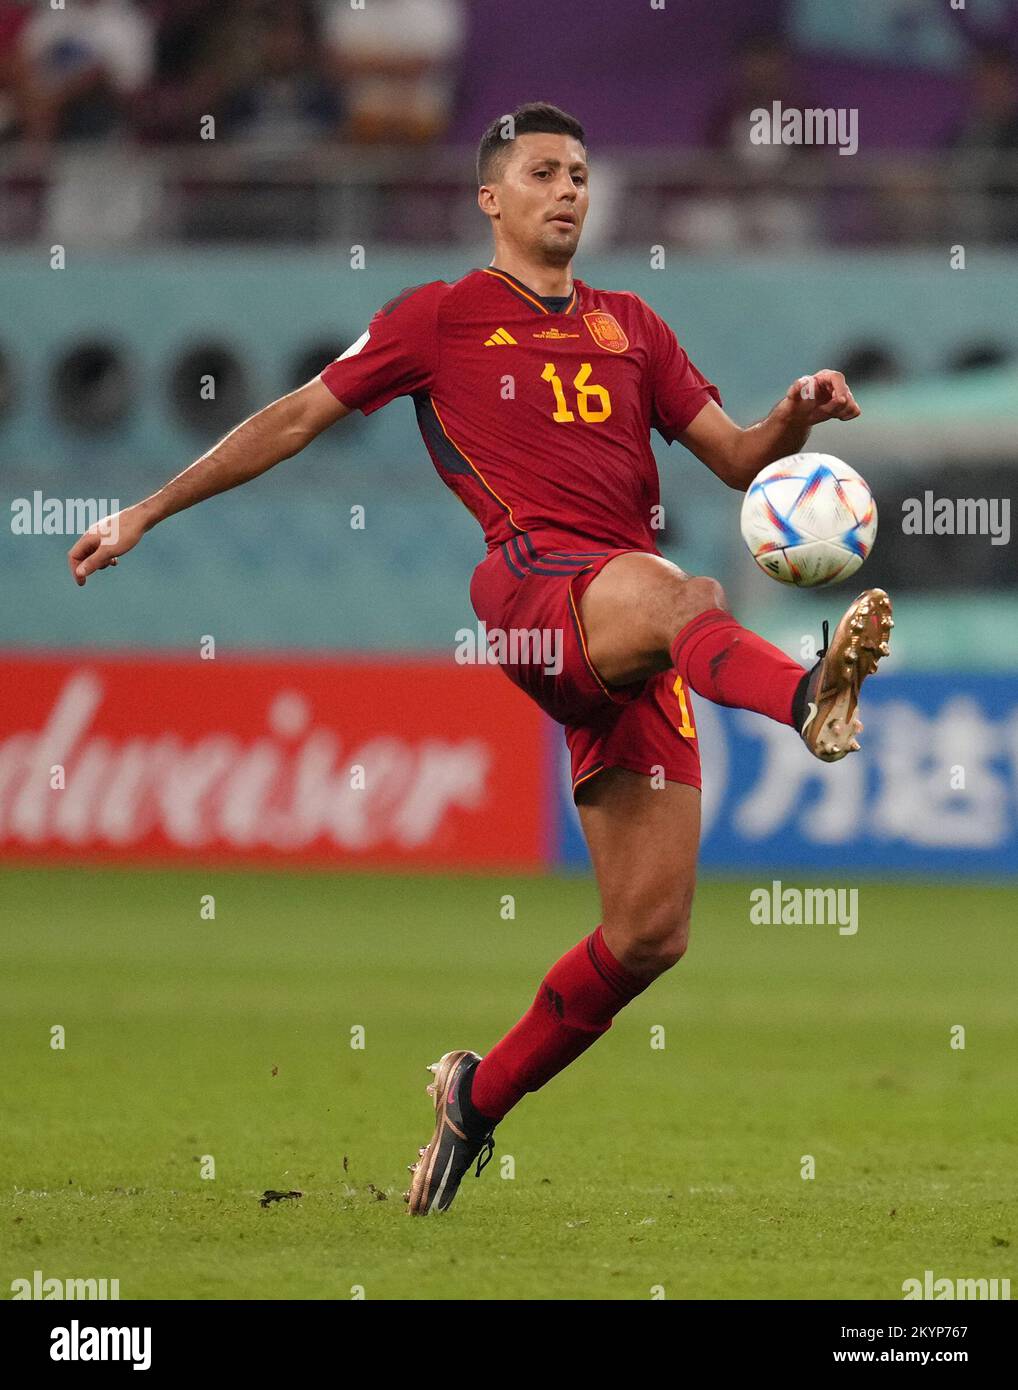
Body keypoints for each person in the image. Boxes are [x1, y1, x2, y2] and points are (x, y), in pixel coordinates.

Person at [67, 102, 893, 1215]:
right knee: (683, 590)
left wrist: (794, 416)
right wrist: (146, 511)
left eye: (582, 174)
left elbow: (742, 464)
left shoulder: (633, 328)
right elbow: (296, 417)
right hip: (527, 589)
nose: (568, 190)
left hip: (630, 633)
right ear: (490, 197)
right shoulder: (440, 317)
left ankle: (474, 1097)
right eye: (544, 172)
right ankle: (804, 696)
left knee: (649, 933)